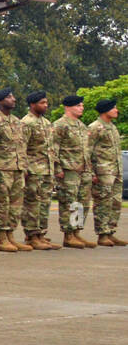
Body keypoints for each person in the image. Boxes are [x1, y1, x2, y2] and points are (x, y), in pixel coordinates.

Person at [0, 89, 29, 251]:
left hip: (16, 168)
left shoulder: (16, 121)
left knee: (15, 204)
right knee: (0, 203)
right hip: (2, 168)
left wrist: (23, 166)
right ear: (0, 101)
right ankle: (1, 236)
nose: (14, 99)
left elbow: (21, 145)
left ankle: (10, 234)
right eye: (9, 97)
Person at [19, 91, 59, 250]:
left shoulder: (46, 122)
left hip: (46, 169)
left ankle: (41, 234)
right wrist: (25, 169)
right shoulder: (26, 123)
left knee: (44, 203)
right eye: (42, 103)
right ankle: (31, 235)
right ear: (32, 104)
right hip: (33, 169)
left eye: (46, 103)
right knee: (32, 203)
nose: (46, 106)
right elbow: (21, 148)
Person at [52, 94, 93, 248]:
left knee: (82, 203)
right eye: (78, 105)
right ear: (68, 107)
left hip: (83, 170)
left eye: (81, 105)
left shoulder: (81, 126)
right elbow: (54, 148)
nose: (81, 108)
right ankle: (68, 235)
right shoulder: (60, 125)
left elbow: (85, 150)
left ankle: (77, 232)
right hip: (68, 169)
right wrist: (57, 168)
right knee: (69, 202)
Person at [88, 98, 125, 246]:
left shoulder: (112, 127)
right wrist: (91, 173)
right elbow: (87, 151)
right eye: (113, 108)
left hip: (115, 171)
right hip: (103, 172)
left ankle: (110, 231)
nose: (117, 110)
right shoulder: (95, 127)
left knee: (115, 203)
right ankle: (102, 234)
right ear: (105, 110)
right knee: (103, 202)